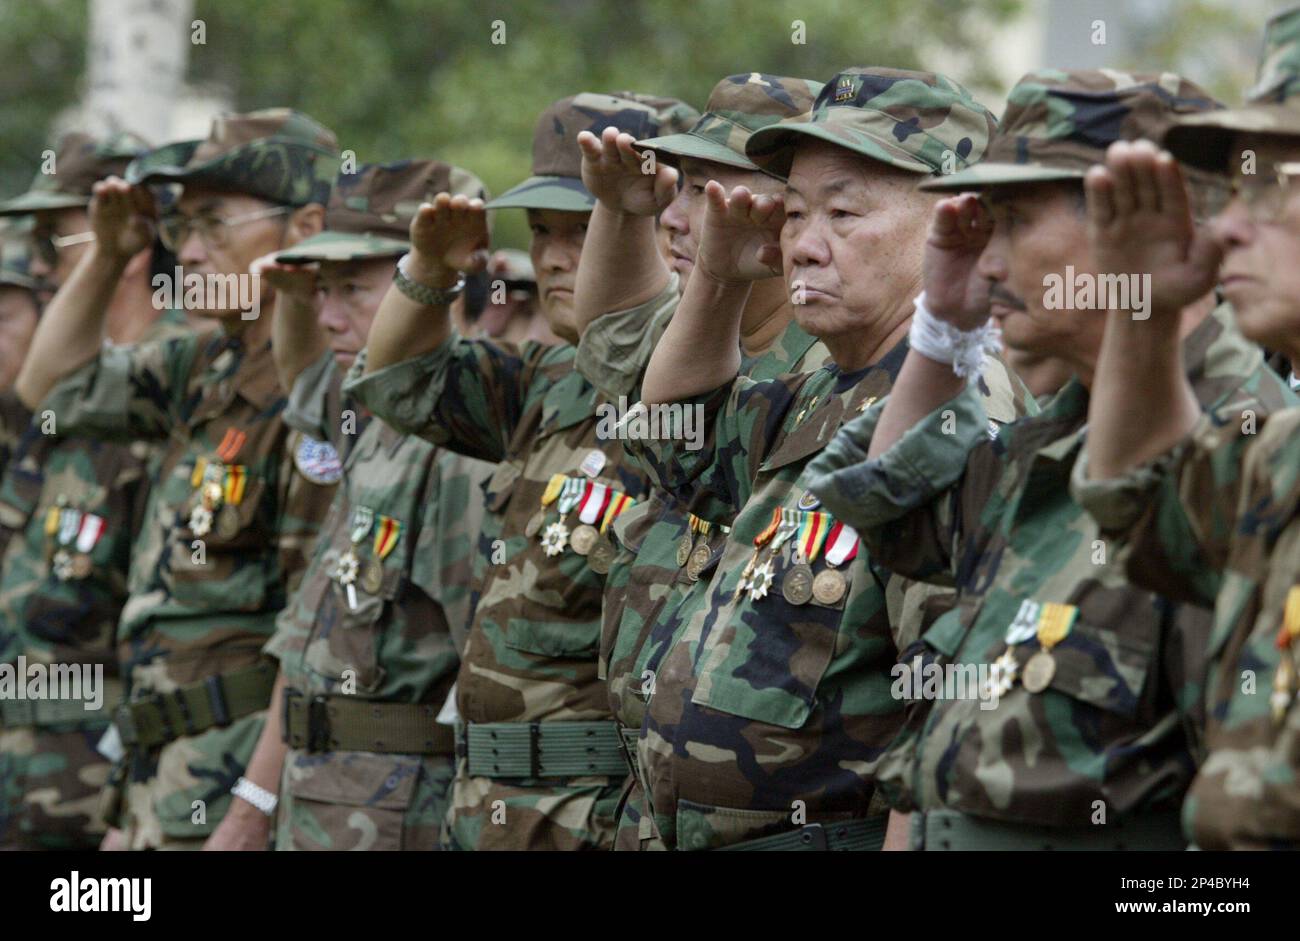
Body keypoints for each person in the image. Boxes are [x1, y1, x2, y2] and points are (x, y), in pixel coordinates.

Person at [805, 70, 1295, 850]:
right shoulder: (1057, 435)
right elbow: (896, 524)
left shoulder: (1241, 438)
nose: (988, 259)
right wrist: (941, 331)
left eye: (1015, 222)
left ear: (1151, 220)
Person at [628, 67, 1027, 851]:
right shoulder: (828, 381)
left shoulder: (959, 407)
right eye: (797, 212)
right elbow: (673, 446)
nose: (803, 246)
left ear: (959, 225)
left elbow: (950, 708)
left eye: (843, 214)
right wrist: (716, 272)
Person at [344, 92, 698, 850]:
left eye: (585, 227)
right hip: (487, 806)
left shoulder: (701, 403)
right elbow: (399, 383)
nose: (557, 256)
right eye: (541, 231)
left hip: (597, 810)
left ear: (666, 225)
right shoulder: (549, 382)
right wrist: (431, 269)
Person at [13, 109, 340, 850]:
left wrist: (253, 809)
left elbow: (317, 634)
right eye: (182, 227)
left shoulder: (316, 399)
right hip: (158, 782)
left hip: (238, 786)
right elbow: (50, 390)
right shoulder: (202, 367)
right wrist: (106, 255)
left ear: (304, 226)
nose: (187, 253)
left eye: (215, 224)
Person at [201, 158, 495, 850]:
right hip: (324, 806)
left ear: (434, 286)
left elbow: (487, 682)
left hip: (402, 815)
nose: (330, 317)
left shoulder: (461, 451)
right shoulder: (376, 427)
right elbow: (308, 386)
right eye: (321, 292)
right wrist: (252, 803)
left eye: (356, 292)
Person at [570, 71, 827, 849]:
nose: (679, 219)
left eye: (712, 191)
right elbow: (613, 336)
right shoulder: (693, 330)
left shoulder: (825, 363)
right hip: (651, 796)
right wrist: (622, 208)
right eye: (684, 188)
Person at [1073, 5, 1300, 848]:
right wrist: (1143, 307)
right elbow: (1140, 509)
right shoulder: (1282, 453)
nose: (1231, 223)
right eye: (1242, 187)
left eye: (1279, 184)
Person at [0, 132, 197, 851]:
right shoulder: (87, 383)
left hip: (111, 779)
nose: (44, 269)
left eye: (61, 242)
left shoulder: (180, 370)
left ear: (133, 244)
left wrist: (131, 796)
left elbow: (174, 616)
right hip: (34, 772)